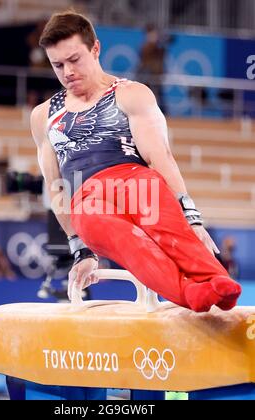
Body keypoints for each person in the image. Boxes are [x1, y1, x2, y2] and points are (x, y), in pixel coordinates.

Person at [30, 11, 241, 313]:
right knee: (133, 244)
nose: (67, 72)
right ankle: (190, 293)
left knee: (165, 224)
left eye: (74, 60)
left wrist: (190, 218)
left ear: (95, 49)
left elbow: (160, 158)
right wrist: (80, 250)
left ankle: (215, 280)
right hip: (85, 198)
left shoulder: (131, 95)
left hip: (133, 180)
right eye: (58, 65)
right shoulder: (44, 116)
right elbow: (57, 189)